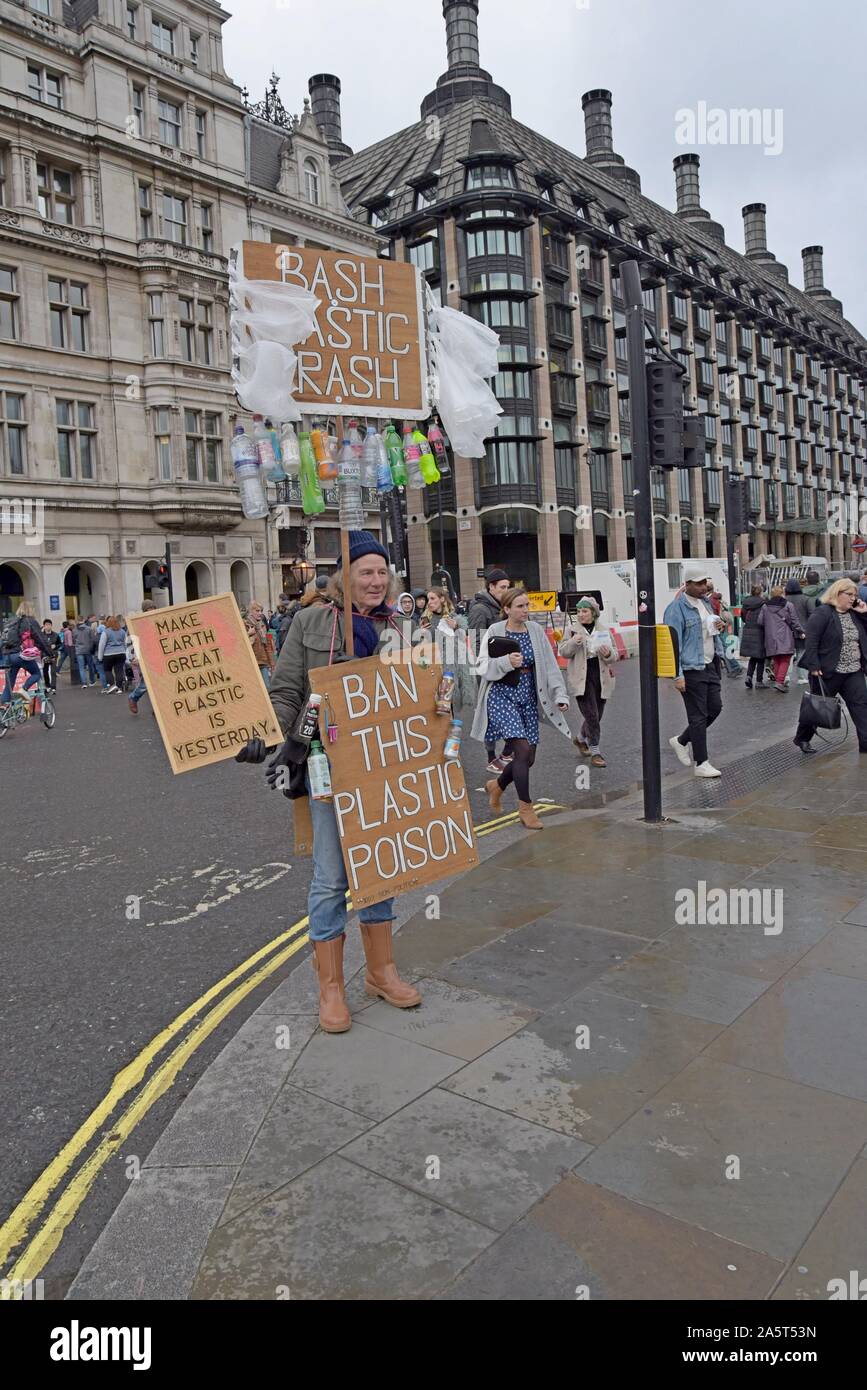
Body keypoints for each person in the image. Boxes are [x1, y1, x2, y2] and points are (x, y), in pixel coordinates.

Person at [248, 531, 420, 1035]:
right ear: (344, 575)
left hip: (386, 767)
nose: (375, 580)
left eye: (381, 571)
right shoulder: (309, 620)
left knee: (381, 866)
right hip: (326, 766)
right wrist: (266, 731)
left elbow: (427, 686)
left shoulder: (403, 624)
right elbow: (284, 690)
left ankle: (380, 972)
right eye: (365, 571)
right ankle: (330, 988)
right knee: (330, 877)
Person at [472, 586, 571, 829]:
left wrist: (560, 694)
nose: (526, 610)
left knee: (529, 758)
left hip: (527, 696)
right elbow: (481, 666)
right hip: (501, 695)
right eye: (520, 606)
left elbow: (549, 665)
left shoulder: (536, 630)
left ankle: (497, 786)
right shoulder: (495, 631)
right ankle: (526, 808)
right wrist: (506, 662)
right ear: (506, 609)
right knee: (522, 750)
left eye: (527, 605)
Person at [664, 562, 727, 779]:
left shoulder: (706, 603)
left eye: (705, 583)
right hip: (691, 668)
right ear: (687, 584)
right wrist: (677, 675)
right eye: (699, 583)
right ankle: (702, 762)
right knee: (698, 716)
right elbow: (673, 644)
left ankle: (681, 740)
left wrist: (719, 626)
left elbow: (710, 628)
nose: (703, 587)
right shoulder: (676, 609)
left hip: (710, 663)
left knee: (715, 708)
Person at [793, 578, 867, 755]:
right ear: (837, 593)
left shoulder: (854, 614)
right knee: (818, 707)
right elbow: (812, 640)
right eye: (849, 595)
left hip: (853, 671)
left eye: (855, 595)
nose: (853, 599)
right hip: (828, 671)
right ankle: (802, 738)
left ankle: (865, 743)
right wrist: (813, 665)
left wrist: (864, 613)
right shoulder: (822, 613)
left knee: (861, 706)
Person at [558, 595, 618, 768]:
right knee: (591, 716)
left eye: (584, 611)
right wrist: (573, 642)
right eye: (578, 611)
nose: (581, 614)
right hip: (581, 678)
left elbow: (613, 655)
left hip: (600, 676)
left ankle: (580, 739)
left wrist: (607, 654)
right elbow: (563, 652)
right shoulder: (572, 630)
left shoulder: (603, 630)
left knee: (597, 715)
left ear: (593, 613)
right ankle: (596, 751)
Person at [467, 568, 512, 772]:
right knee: (489, 713)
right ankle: (491, 756)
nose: (506, 590)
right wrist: (489, 666)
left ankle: (507, 751)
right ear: (491, 587)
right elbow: (477, 642)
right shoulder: (480, 609)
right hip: (489, 669)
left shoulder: (501, 607)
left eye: (507, 587)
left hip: (506, 666)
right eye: (502, 587)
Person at [417, 586, 476, 722]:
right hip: (433, 669)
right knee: (435, 710)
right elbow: (420, 649)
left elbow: (463, 645)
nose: (429, 602)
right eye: (428, 599)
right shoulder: (425, 620)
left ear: (442, 599)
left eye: (433, 598)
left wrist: (457, 627)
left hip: (450, 671)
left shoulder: (454, 618)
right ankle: (441, 739)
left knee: (447, 710)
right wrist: (420, 633)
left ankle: (451, 741)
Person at [0, 602, 53, 705]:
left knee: (9, 683)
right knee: (36, 673)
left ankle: (3, 708)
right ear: (31, 610)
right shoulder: (30, 621)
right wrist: (50, 654)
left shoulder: (11, 622)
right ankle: (24, 689)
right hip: (20, 654)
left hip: (7, 655)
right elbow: (41, 639)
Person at [757, 585, 804, 692]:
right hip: (785, 635)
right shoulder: (788, 605)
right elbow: (794, 621)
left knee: (776, 659)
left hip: (770, 637)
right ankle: (779, 682)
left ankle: (779, 681)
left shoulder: (765, 606)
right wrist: (801, 631)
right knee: (785, 658)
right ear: (782, 593)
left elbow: (760, 621)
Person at [127, 599, 157, 715]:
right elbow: (130, 641)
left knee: (159, 685)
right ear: (145, 610)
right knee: (147, 684)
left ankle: (158, 709)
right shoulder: (137, 623)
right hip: (144, 658)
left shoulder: (158, 620)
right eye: (150, 608)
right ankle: (133, 698)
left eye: (153, 608)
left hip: (157, 656)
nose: (152, 610)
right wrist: (133, 657)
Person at [785, 579, 816, 686]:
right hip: (803, 631)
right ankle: (801, 676)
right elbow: (813, 615)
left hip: (786, 631)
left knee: (788, 654)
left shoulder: (783, 600)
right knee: (801, 653)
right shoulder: (806, 599)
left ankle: (786, 675)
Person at [739, 585, 767, 689]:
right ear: (761, 592)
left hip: (748, 629)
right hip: (760, 631)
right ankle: (759, 681)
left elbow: (743, 616)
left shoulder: (745, 602)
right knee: (760, 657)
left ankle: (749, 676)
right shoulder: (763, 603)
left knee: (753, 656)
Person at [244, 601, 275, 688]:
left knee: (267, 687)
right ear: (251, 611)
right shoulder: (245, 623)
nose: (260, 613)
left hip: (263, 661)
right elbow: (239, 644)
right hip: (251, 663)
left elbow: (268, 645)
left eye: (261, 611)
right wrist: (248, 634)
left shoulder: (263, 625)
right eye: (257, 611)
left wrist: (272, 664)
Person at [97, 615, 128, 693]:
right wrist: (125, 653)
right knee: (119, 671)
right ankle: (119, 688)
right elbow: (125, 643)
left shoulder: (106, 632)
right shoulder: (122, 631)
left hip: (108, 654)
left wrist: (100, 657)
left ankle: (112, 685)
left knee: (107, 670)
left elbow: (101, 645)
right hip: (121, 653)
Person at [74, 615, 98, 687]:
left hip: (79, 650)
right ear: (84, 620)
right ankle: (92, 681)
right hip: (88, 649)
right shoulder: (89, 629)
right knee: (90, 666)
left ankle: (84, 683)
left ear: (77, 620)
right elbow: (93, 639)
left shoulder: (74, 630)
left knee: (81, 667)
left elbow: (73, 640)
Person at [41, 619, 61, 692]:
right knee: (45, 671)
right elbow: (38, 644)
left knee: (53, 671)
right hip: (44, 655)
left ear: (51, 626)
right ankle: (47, 685)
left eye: (49, 625)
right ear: (44, 626)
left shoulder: (56, 635)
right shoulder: (41, 635)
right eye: (46, 625)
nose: (48, 626)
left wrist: (55, 646)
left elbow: (60, 644)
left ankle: (53, 686)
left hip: (53, 655)